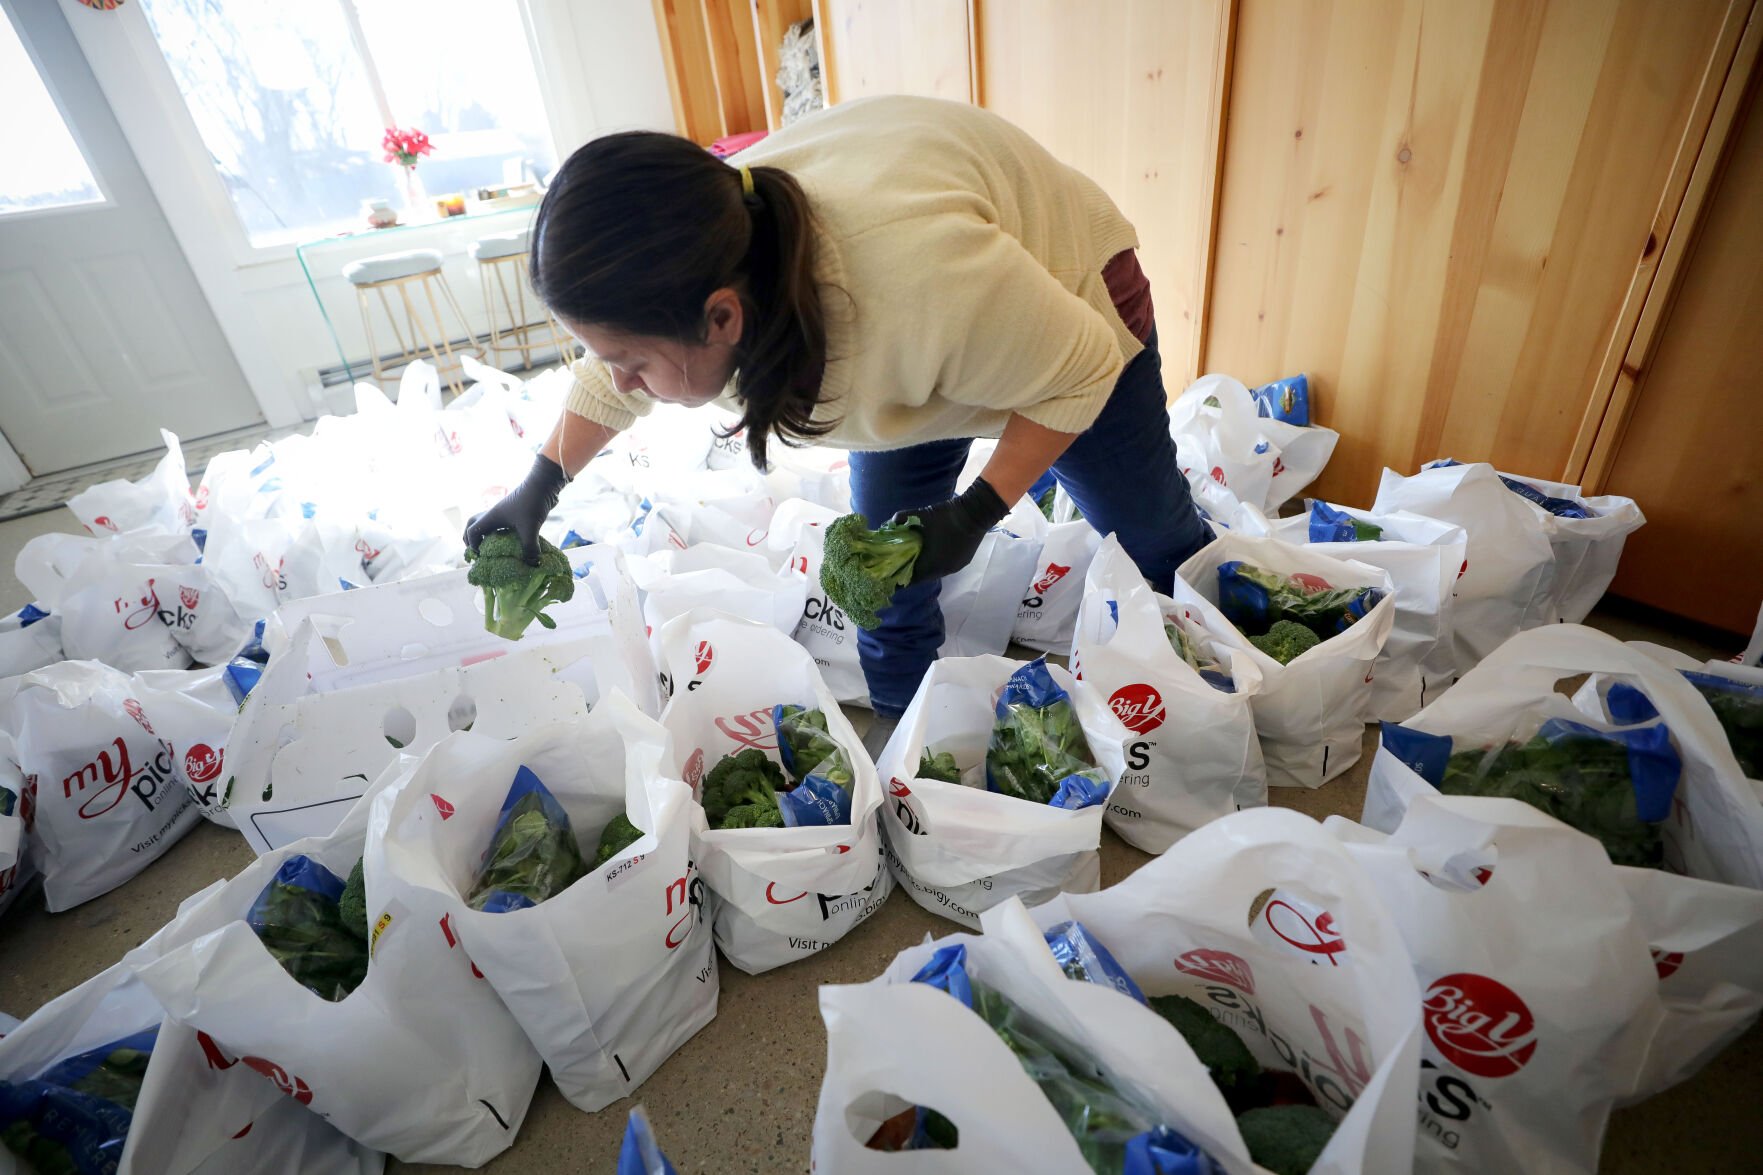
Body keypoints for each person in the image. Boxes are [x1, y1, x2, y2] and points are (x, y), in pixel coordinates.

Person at [465, 95, 1210, 740]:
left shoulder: (910, 286)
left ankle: (1219, 665)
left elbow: (1077, 366)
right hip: (936, 323)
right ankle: (905, 716)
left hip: (1066, 293)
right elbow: (611, 374)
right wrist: (540, 483)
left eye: (630, 359)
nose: (620, 379)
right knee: (887, 568)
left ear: (721, 317)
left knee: (1150, 532)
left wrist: (977, 511)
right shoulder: (710, 271)